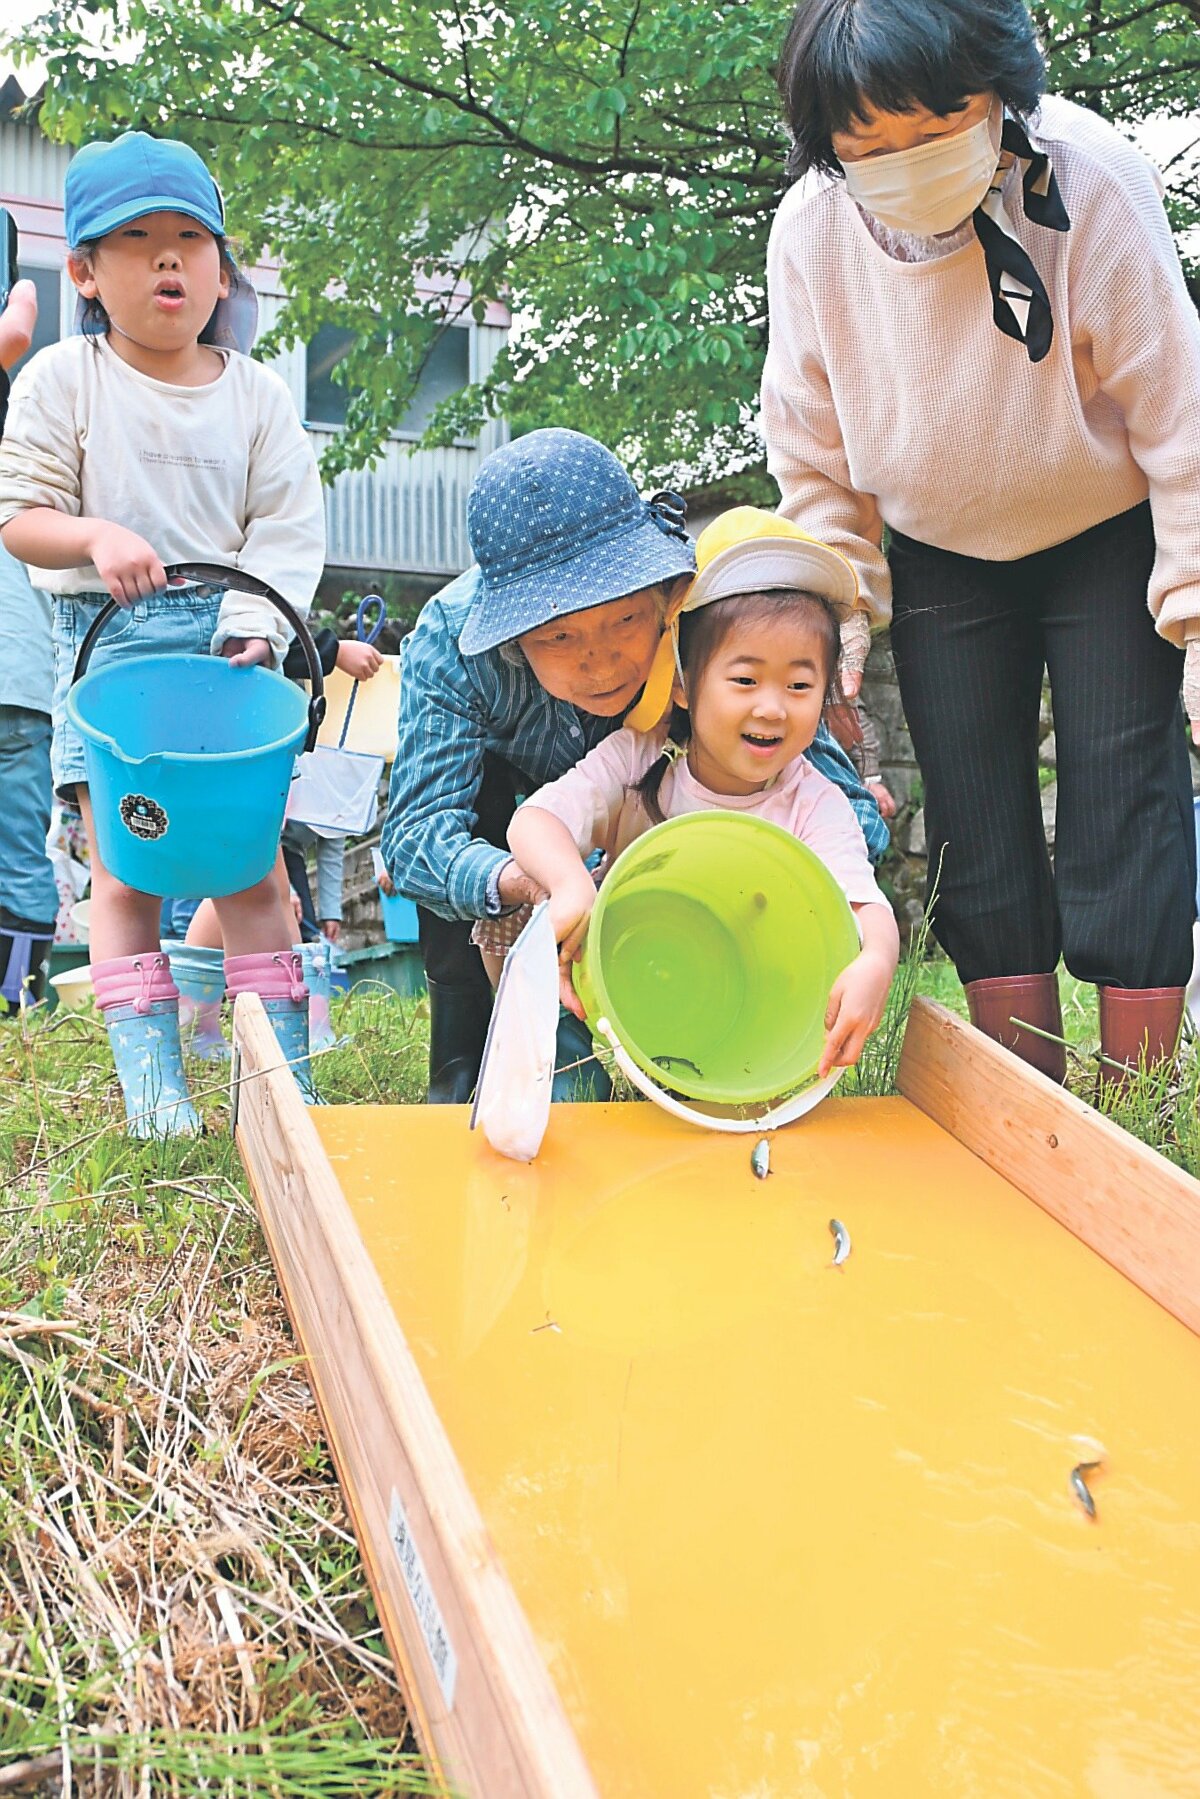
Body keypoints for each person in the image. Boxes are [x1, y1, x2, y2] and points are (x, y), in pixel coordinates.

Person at [763, 0, 1200, 1091]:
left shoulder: (1093, 180)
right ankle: (1021, 1088)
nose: (908, 162)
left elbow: (1182, 418)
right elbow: (813, 456)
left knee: (1123, 796)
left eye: (937, 125)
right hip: (939, 547)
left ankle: (1139, 1090)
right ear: (828, 143)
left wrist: (1196, 608)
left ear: (1001, 88)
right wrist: (838, 614)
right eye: (872, 145)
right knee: (972, 813)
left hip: (1106, 529)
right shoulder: (810, 231)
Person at [381, 427, 888, 1103]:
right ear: (513, 634)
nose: (600, 662)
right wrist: (538, 882)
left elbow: (850, 815)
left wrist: (719, 868)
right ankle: (465, 1063)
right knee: (478, 826)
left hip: (686, 865)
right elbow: (417, 837)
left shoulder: (714, 617)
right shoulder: (451, 642)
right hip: (531, 834)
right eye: (558, 636)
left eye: (624, 621)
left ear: (662, 595)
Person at [0, 132, 325, 1133]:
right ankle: (154, 1090)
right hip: (109, 654)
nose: (168, 259)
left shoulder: (258, 395)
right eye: (137, 241)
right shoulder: (64, 378)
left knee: (255, 868)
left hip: (231, 655)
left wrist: (256, 626)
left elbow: (287, 527)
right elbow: (20, 515)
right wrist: (94, 535)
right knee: (125, 871)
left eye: (190, 239)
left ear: (222, 267)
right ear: (85, 272)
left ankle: (281, 1084)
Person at [507, 508, 899, 1076]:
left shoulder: (813, 801)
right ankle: (563, 1075)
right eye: (745, 680)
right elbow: (535, 820)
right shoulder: (640, 758)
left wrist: (877, 961)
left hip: (744, 1019)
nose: (772, 706)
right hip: (626, 983)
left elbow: (863, 905)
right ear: (684, 685)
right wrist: (572, 886)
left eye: (799, 684)